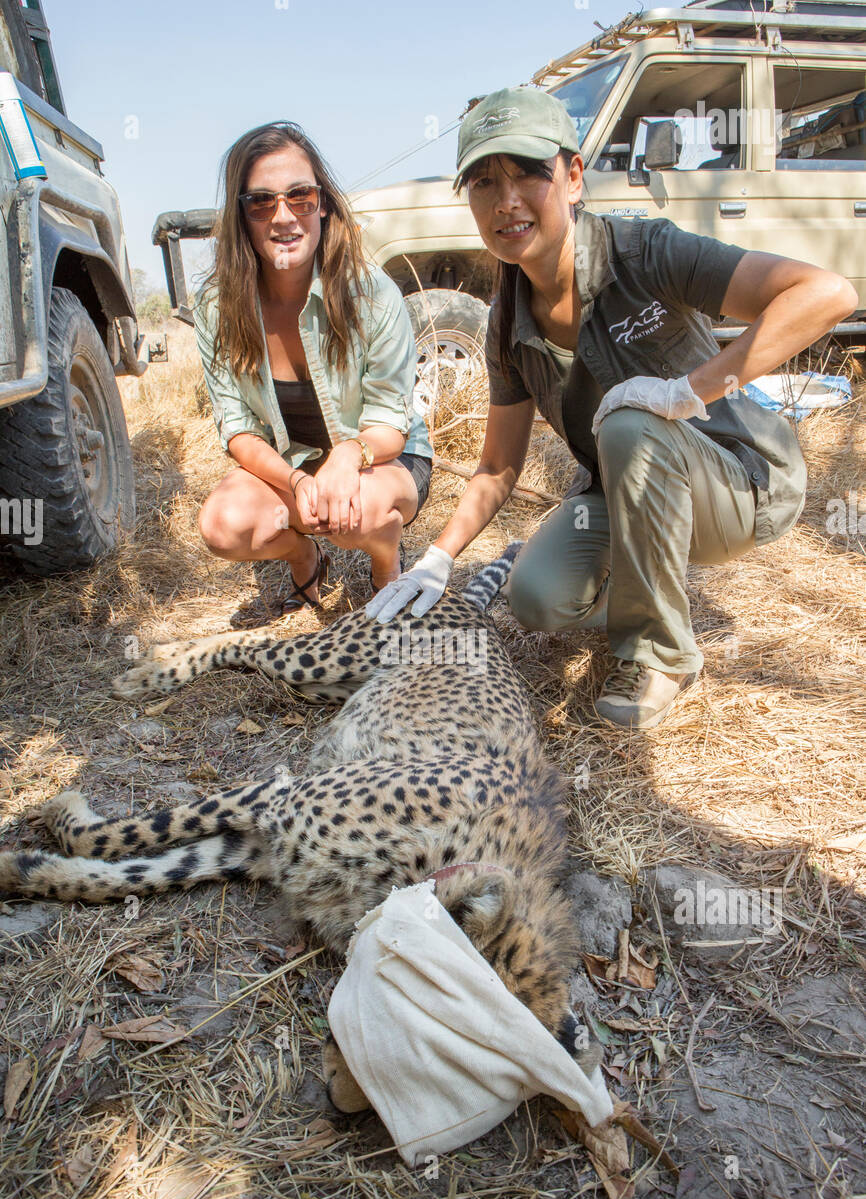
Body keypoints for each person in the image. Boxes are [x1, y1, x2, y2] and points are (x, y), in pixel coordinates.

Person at [367, 86, 858, 729]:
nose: (506, 200)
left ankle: (662, 653)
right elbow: (495, 469)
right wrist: (440, 557)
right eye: (484, 182)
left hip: (735, 483)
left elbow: (826, 293)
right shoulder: (506, 320)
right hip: (619, 488)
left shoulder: (644, 252)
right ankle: (651, 592)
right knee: (537, 599)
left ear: (572, 177)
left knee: (630, 422)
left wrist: (687, 392)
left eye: (527, 174)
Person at [194, 121, 433, 611]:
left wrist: (346, 458)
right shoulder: (216, 307)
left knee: (359, 516)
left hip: (382, 458)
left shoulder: (372, 294)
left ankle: (385, 556)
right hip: (293, 463)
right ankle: (304, 557)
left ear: (322, 203)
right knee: (221, 525)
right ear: (242, 217)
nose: (283, 217)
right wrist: (299, 480)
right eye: (261, 202)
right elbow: (237, 429)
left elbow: (390, 421)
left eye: (299, 196)